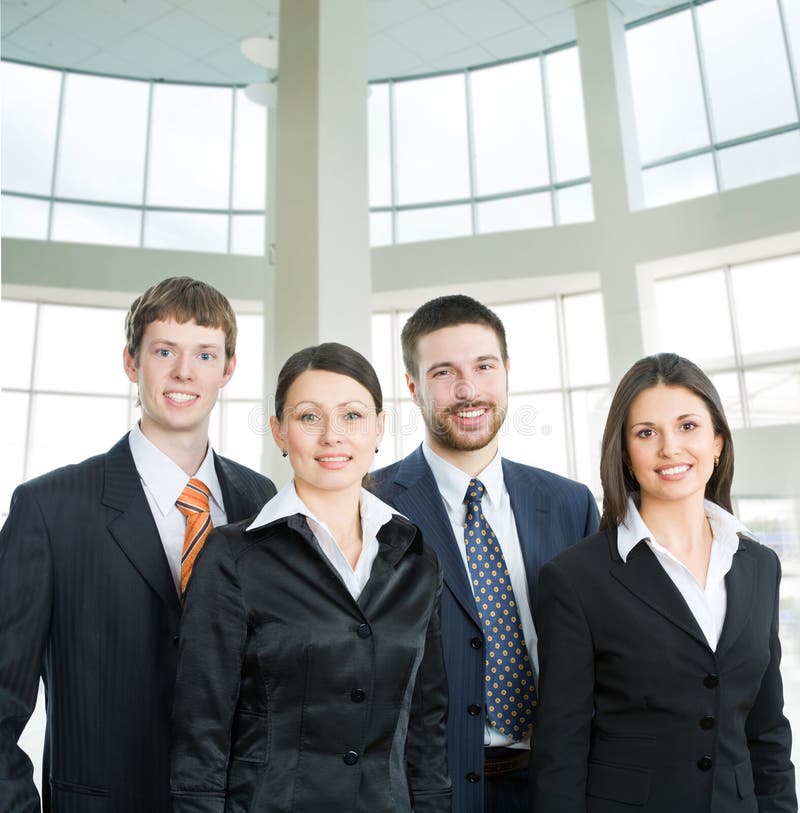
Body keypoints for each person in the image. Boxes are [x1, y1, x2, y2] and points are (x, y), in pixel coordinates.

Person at [0, 277, 277, 813]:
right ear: (132, 362)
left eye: (204, 354)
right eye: (164, 351)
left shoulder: (261, 501)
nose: (184, 372)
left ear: (228, 368)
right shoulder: (49, 508)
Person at [170, 342, 451, 813]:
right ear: (279, 432)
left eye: (352, 416)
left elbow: (427, 729)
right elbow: (201, 732)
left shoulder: (417, 560)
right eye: (309, 417)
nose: (332, 436)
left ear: (380, 427)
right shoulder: (233, 557)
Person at [531, 352, 796, 813]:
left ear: (718, 442)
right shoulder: (576, 579)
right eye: (646, 433)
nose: (670, 448)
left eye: (688, 426)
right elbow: (561, 749)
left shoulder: (759, 565)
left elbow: (767, 729)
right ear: (626, 455)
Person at [369, 295, 599, 813]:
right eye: (444, 372)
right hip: (426, 791)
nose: (468, 389)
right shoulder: (370, 504)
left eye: (483, 366)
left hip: (554, 785)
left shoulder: (570, 504)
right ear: (413, 386)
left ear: (507, 372)